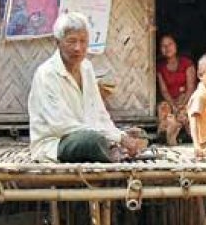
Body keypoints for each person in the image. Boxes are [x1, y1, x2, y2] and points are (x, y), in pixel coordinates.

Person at [28, 12, 147, 162]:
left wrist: (120, 136)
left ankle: (111, 148)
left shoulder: (86, 68)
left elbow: (100, 113)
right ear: (58, 43)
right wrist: (115, 138)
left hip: (90, 133)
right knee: (91, 141)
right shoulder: (46, 74)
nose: (78, 48)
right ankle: (111, 150)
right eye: (71, 41)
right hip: (56, 143)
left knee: (139, 134)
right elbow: (61, 125)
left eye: (83, 41)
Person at [155, 34, 196, 145]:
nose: (167, 48)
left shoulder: (187, 63)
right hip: (171, 101)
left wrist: (182, 104)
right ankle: (166, 132)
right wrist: (173, 105)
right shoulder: (160, 67)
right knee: (163, 107)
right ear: (160, 49)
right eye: (163, 46)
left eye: (170, 44)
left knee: (185, 112)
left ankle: (188, 132)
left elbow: (191, 88)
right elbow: (164, 91)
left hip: (186, 99)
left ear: (176, 45)